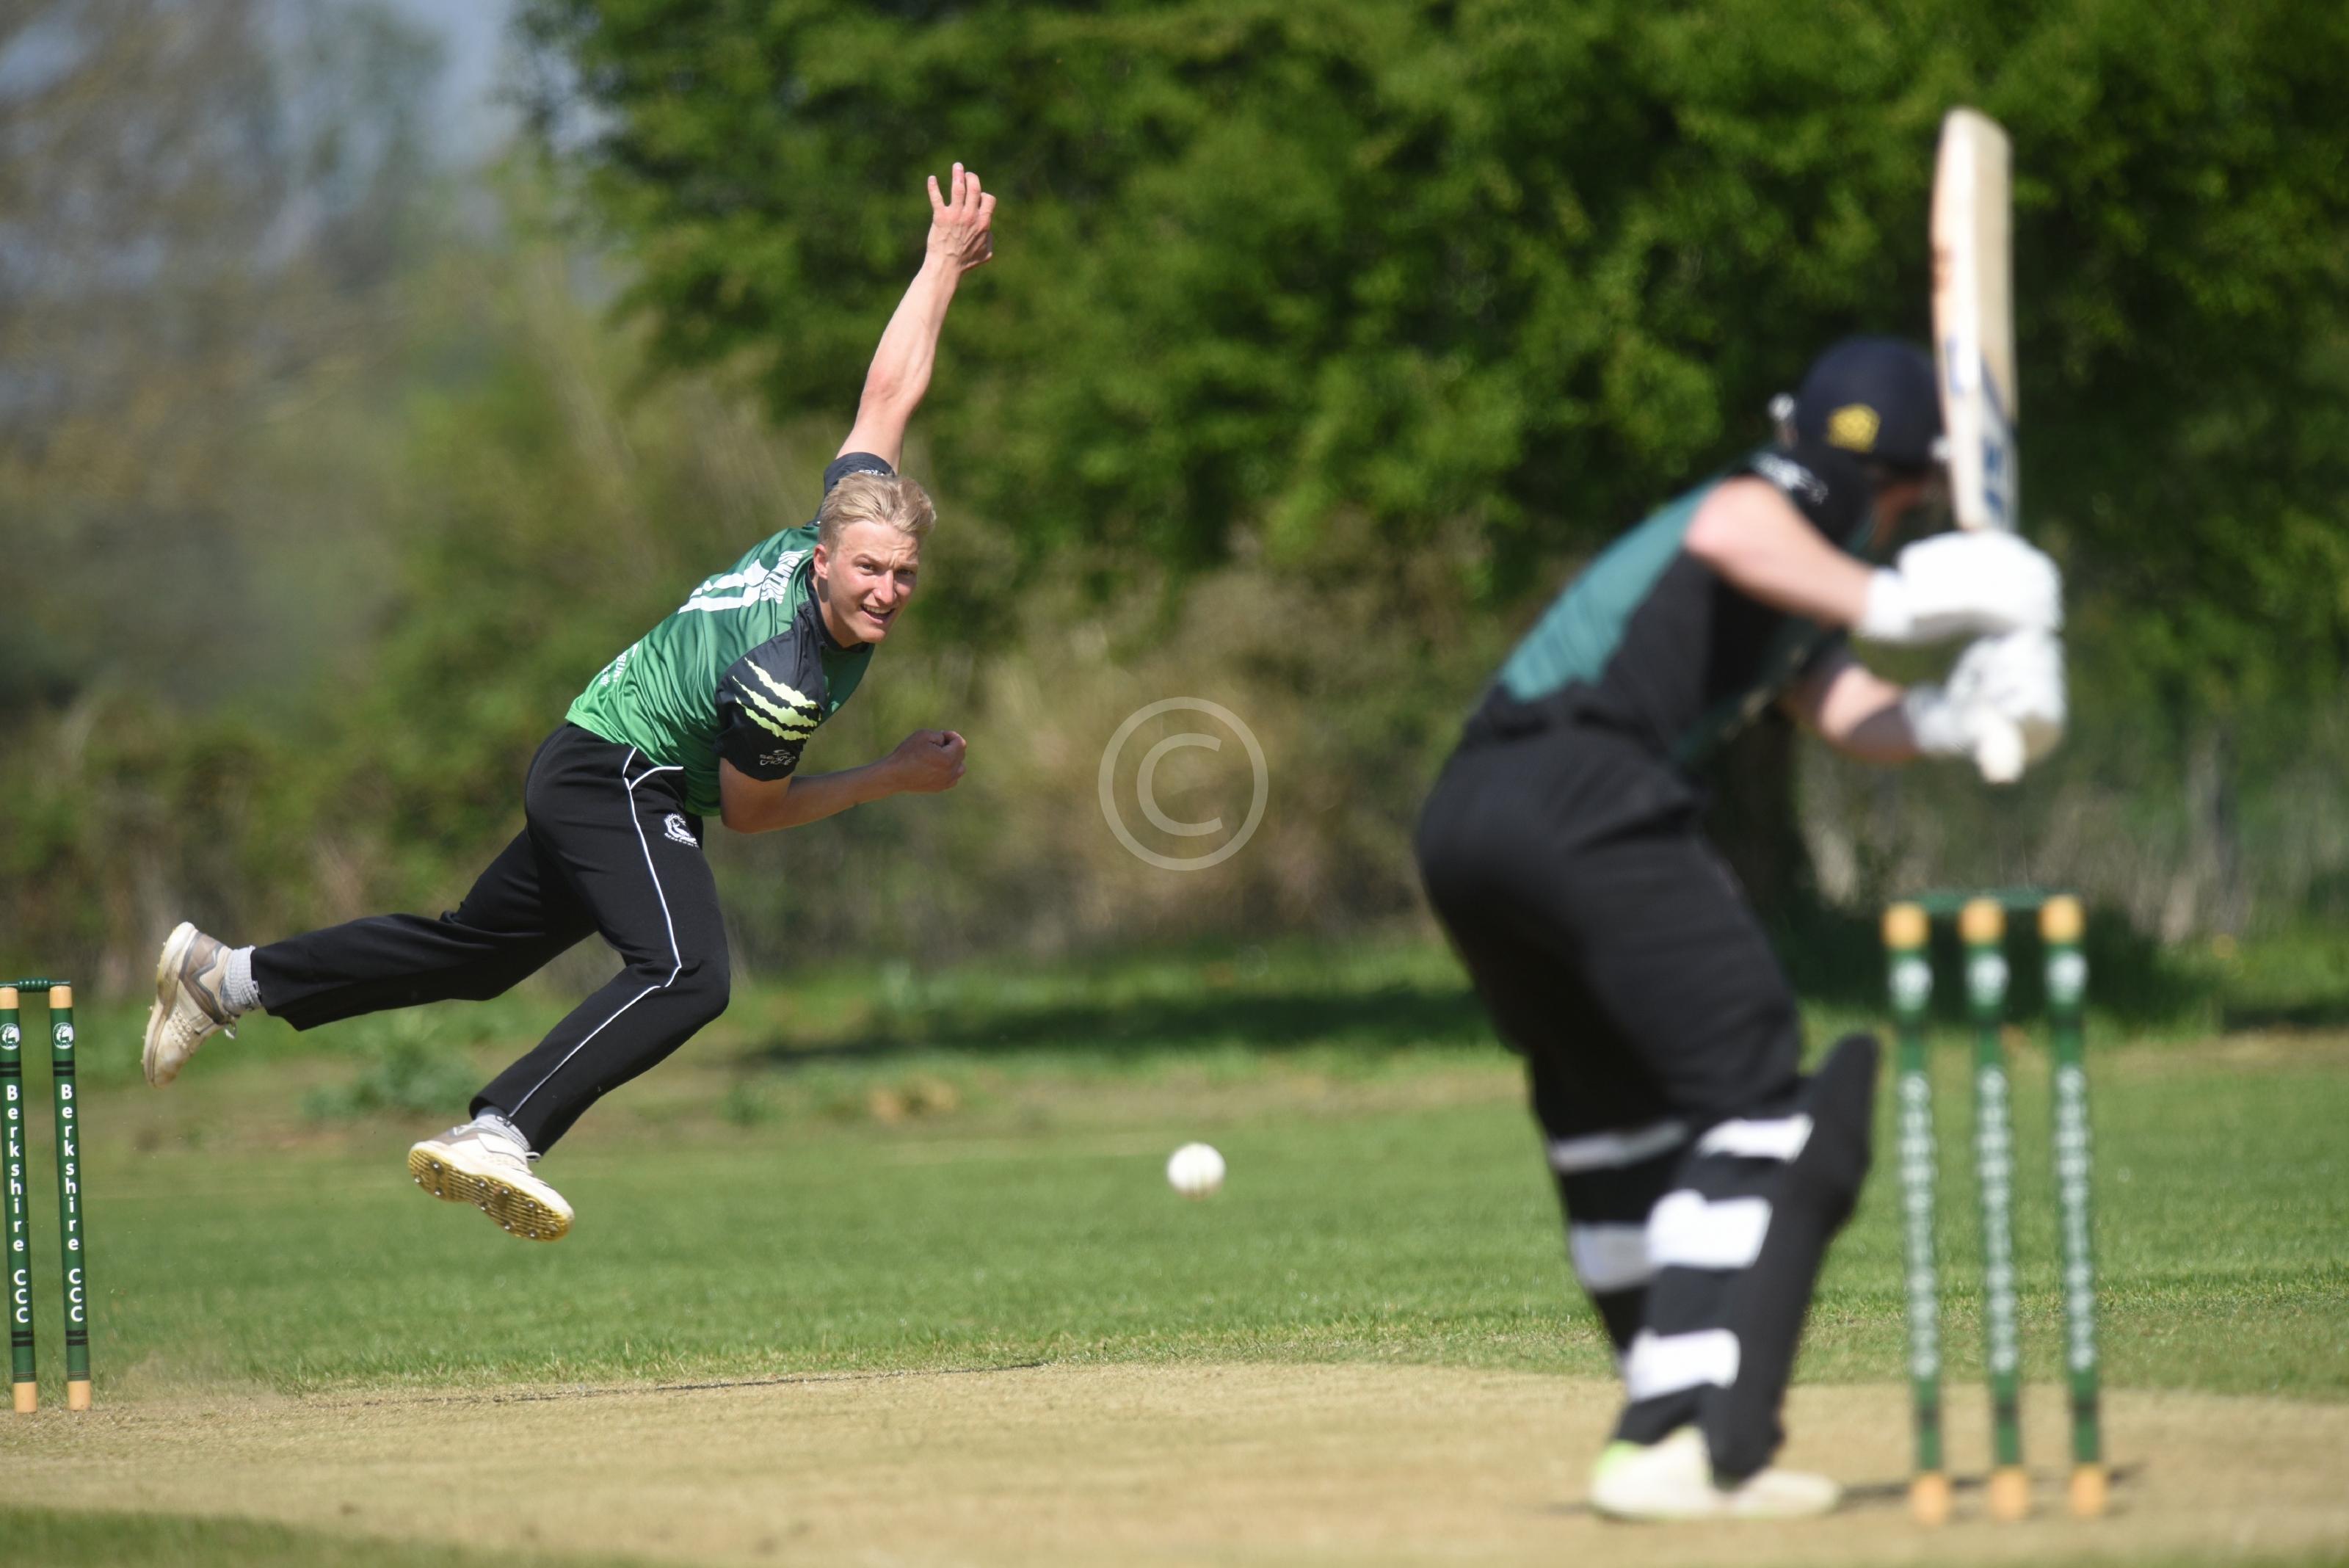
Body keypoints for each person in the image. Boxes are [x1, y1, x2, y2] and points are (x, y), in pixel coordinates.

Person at [139, 164, 1000, 1242]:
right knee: (687, 974)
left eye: (904, 576)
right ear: (823, 559)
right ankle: (503, 1128)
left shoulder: (820, 529)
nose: (887, 591)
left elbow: (888, 394)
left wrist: (938, 266)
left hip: (587, 747)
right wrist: (893, 777)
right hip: (617, 773)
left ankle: (229, 978)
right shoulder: (784, 673)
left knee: (476, 951)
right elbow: (757, 812)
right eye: (869, 570)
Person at [1412, 338, 2065, 1520]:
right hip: (1583, 788)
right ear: (1913, 472)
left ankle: (1667, 1435)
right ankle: (1681, 1433)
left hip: (1470, 813)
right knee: (1758, 1079)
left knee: (1609, 1116)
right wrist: (1903, 598)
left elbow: (1838, 706)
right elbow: (1732, 521)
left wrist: (1966, 715)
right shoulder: (1813, 489)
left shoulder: (1801, 567)